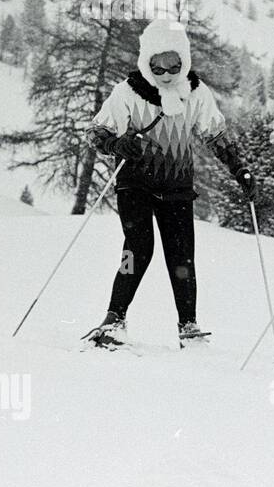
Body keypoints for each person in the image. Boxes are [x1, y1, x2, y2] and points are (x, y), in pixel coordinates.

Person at [83, 17, 256, 348]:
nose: (165, 74)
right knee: (138, 248)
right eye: (157, 66)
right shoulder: (128, 93)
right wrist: (117, 145)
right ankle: (114, 320)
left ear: (184, 60)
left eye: (173, 65)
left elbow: (216, 134)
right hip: (134, 183)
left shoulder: (196, 93)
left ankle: (188, 327)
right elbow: (97, 132)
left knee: (182, 256)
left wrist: (240, 170)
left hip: (176, 187)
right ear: (145, 63)